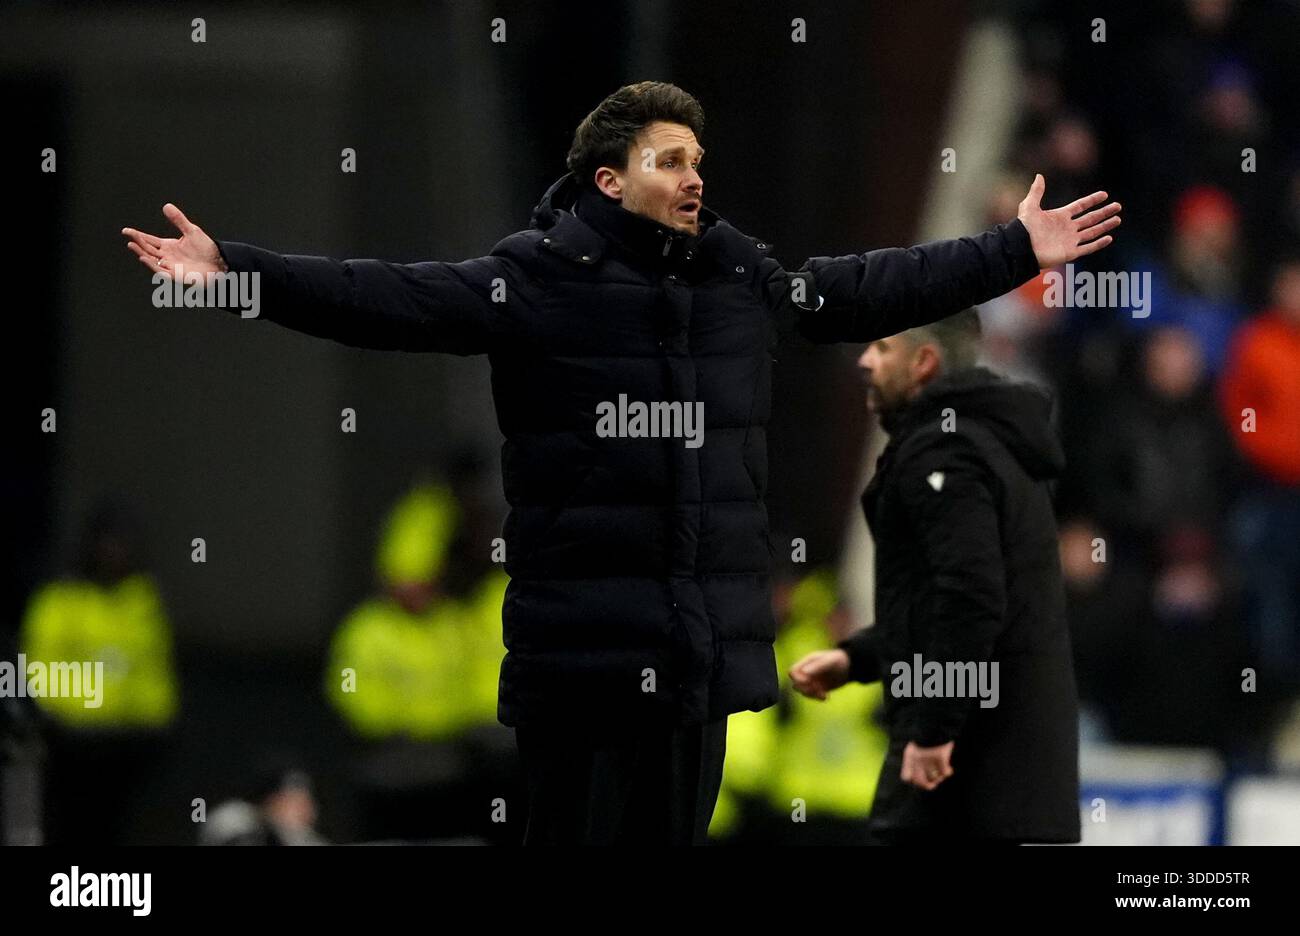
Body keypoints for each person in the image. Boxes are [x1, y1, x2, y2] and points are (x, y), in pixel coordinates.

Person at [121, 81, 1119, 845]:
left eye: (698, 161)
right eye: (669, 161)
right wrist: (235, 274)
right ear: (610, 180)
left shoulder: (736, 276)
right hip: (584, 671)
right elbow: (380, 298)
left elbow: (861, 289)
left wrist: (1009, 252)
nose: (695, 179)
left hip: (695, 673)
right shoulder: (535, 280)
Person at [791, 311, 1081, 844]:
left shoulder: (946, 451)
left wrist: (933, 731)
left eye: (881, 347)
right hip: (991, 764)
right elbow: (950, 604)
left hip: (961, 763)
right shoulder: (992, 442)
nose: (865, 361)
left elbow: (970, 598)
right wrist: (858, 657)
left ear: (923, 363)